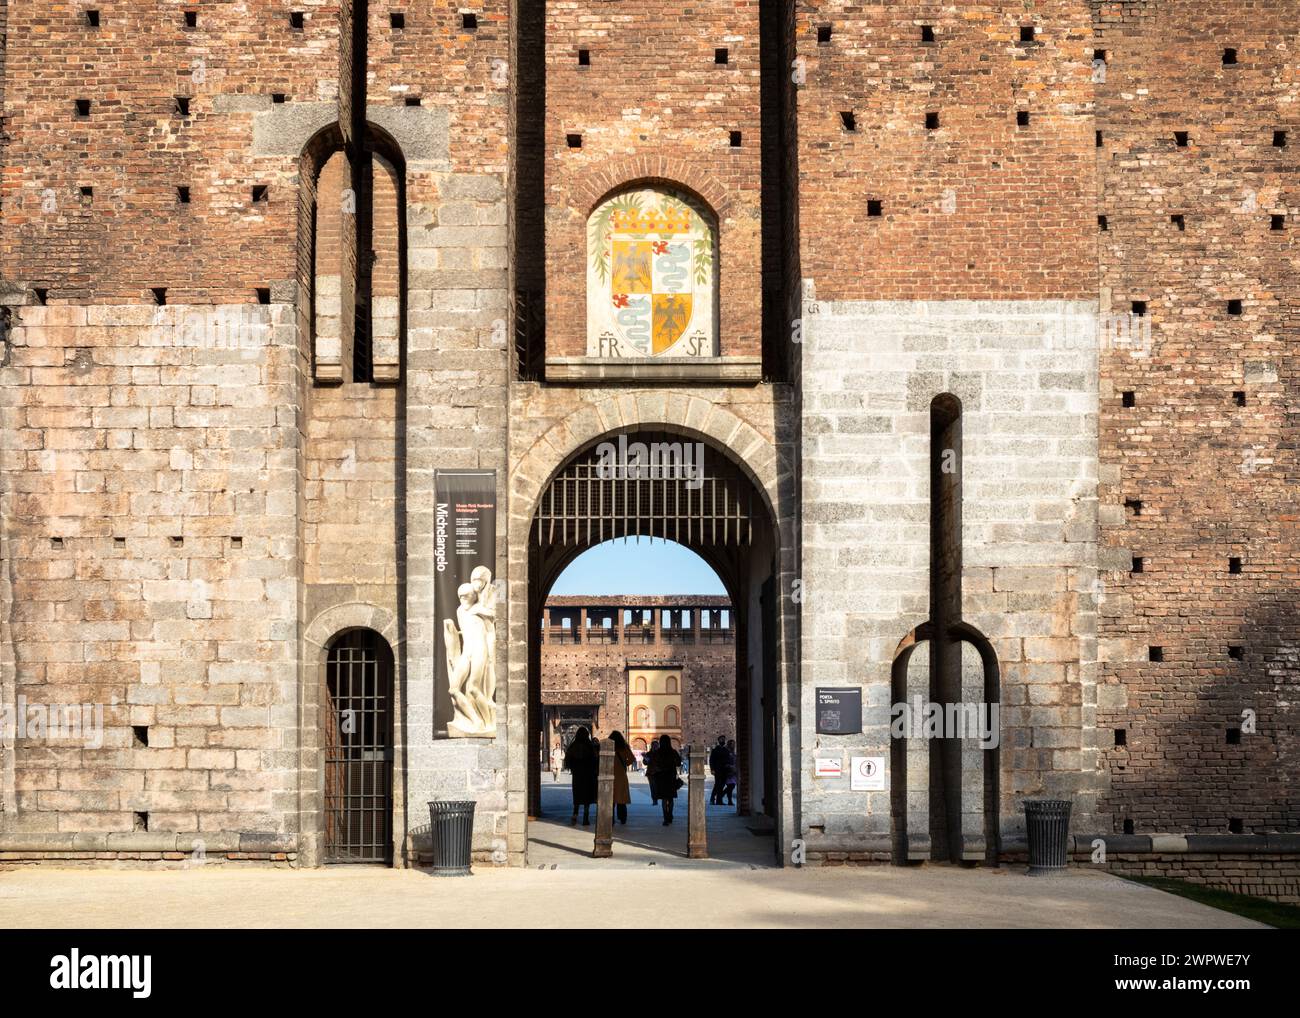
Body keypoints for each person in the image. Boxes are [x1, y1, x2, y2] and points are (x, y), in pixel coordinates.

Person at [564, 727, 598, 826]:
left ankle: (575, 815)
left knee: (577, 795)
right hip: (588, 775)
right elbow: (595, 760)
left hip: (577, 775)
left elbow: (567, 761)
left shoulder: (573, 746)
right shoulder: (590, 746)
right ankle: (585, 818)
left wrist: (574, 768)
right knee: (587, 796)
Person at [647, 734, 682, 825]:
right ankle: (670, 815)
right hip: (671, 777)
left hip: (661, 777)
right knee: (670, 798)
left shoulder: (657, 753)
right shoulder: (673, 752)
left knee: (664, 798)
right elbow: (678, 763)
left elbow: (653, 764)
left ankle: (666, 818)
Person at [609, 730, 636, 825]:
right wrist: (625, 763)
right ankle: (622, 818)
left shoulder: (608, 747)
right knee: (621, 799)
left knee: (610, 799)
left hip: (610, 775)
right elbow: (632, 759)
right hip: (621, 776)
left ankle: (610, 819)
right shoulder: (624, 747)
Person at [708, 735, 729, 805]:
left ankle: (719, 800)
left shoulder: (726, 750)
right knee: (717, 784)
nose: (723, 740)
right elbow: (711, 760)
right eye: (721, 739)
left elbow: (728, 760)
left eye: (724, 739)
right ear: (719, 740)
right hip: (717, 770)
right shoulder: (715, 750)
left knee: (722, 785)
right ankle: (712, 798)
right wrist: (712, 769)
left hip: (725, 770)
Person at [723, 738, 738, 806]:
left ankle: (722, 795)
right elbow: (724, 762)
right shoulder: (727, 752)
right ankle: (729, 800)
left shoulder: (733, 752)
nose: (733, 745)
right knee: (731, 786)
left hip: (734, 771)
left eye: (734, 744)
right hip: (729, 771)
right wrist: (729, 766)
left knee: (731, 786)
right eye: (732, 744)